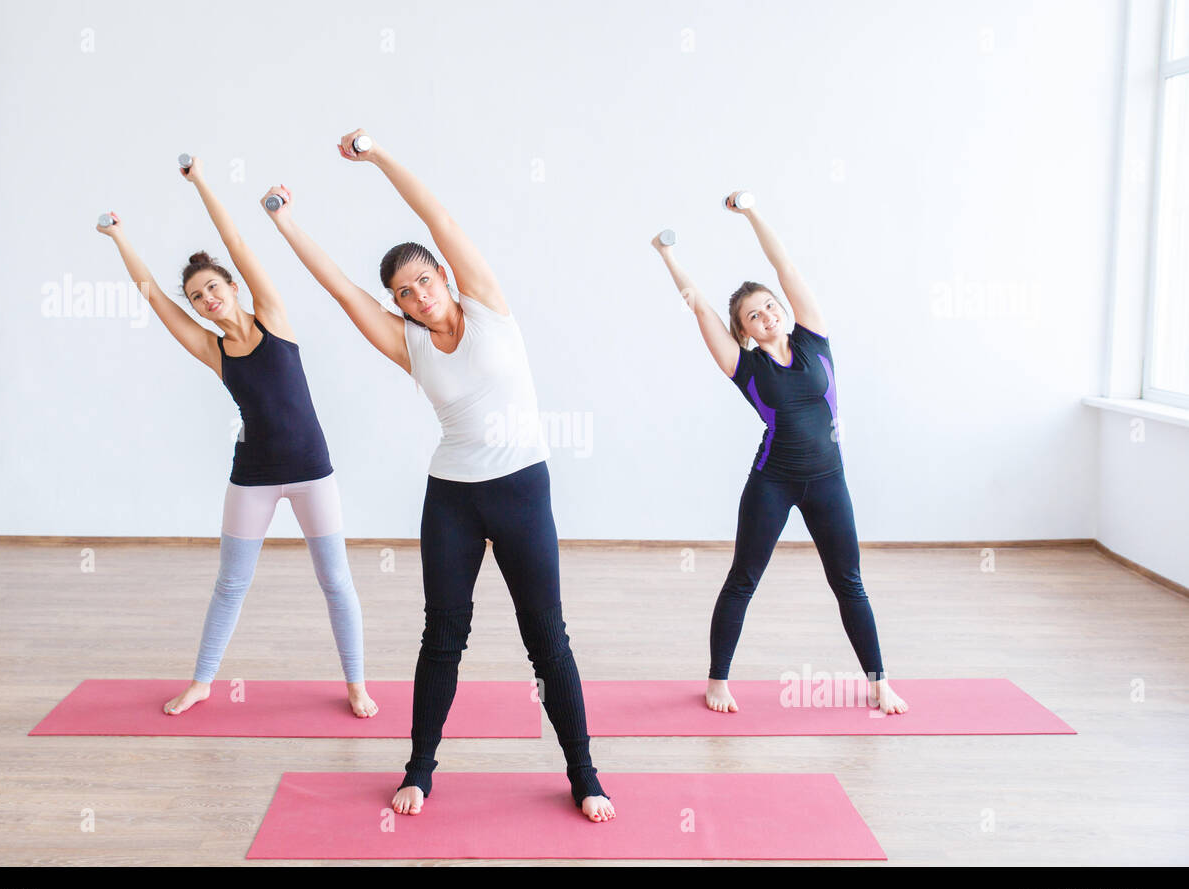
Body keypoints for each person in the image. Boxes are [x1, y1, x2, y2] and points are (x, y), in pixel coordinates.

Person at [264, 129, 614, 822]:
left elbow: (440, 221)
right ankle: (419, 768)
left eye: (424, 280)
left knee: (546, 638)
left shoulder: (487, 307)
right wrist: (283, 222)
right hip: (452, 497)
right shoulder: (407, 344)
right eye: (403, 291)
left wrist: (379, 155)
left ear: (445, 278)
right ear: (396, 303)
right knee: (442, 636)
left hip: (520, 490)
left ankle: (584, 772)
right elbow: (338, 288)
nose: (418, 295)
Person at [95, 155, 376, 719]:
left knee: (336, 581)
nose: (207, 300)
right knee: (230, 585)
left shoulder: (272, 316)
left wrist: (199, 180)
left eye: (213, 287)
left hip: (312, 471)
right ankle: (202, 681)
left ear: (231, 285)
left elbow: (237, 242)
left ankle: (356, 685)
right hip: (252, 479)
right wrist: (119, 236)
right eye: (197, 298)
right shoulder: (211, 349)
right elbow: (152, 295)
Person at [650, 191, 908, 717]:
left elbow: (783, 264)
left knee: (849, 582)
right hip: (773, 482)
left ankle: (879, 681)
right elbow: (698, 305)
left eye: (770, 305)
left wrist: (750, 213)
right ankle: (717, 679)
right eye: (753, 315)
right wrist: (666, 253)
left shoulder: (814, 337)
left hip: (828, 480)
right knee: (744, 577)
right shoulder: (744, 368)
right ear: (743, 332)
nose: (767, 314)